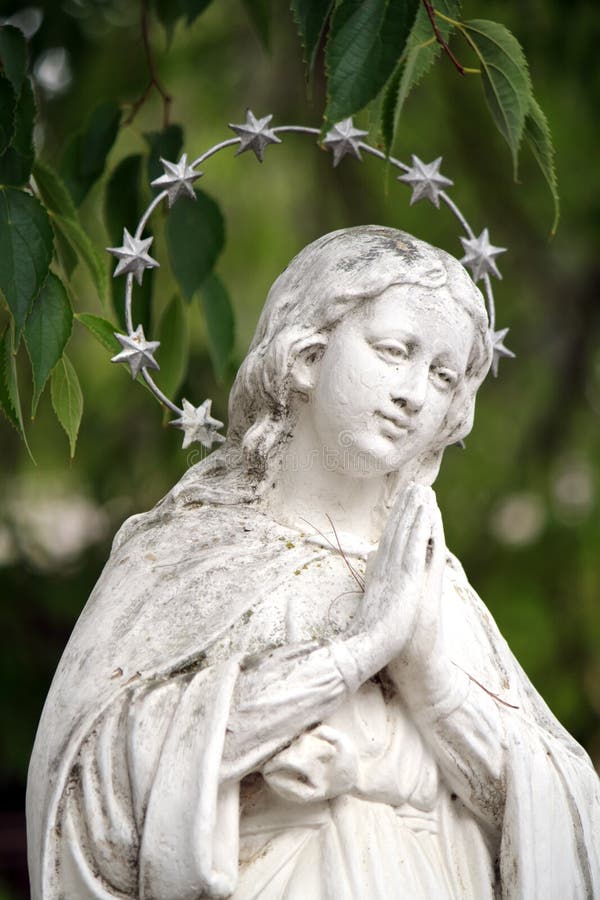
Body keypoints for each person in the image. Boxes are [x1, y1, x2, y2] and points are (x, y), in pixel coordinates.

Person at [27, 227, 600, 899]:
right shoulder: (188, 554)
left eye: (443, 376)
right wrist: (358, 653)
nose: (415, 393)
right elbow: (94, 774)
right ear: (306, 356)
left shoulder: (432, 584)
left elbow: (567, 801)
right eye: (394, 351)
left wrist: (432, 684)